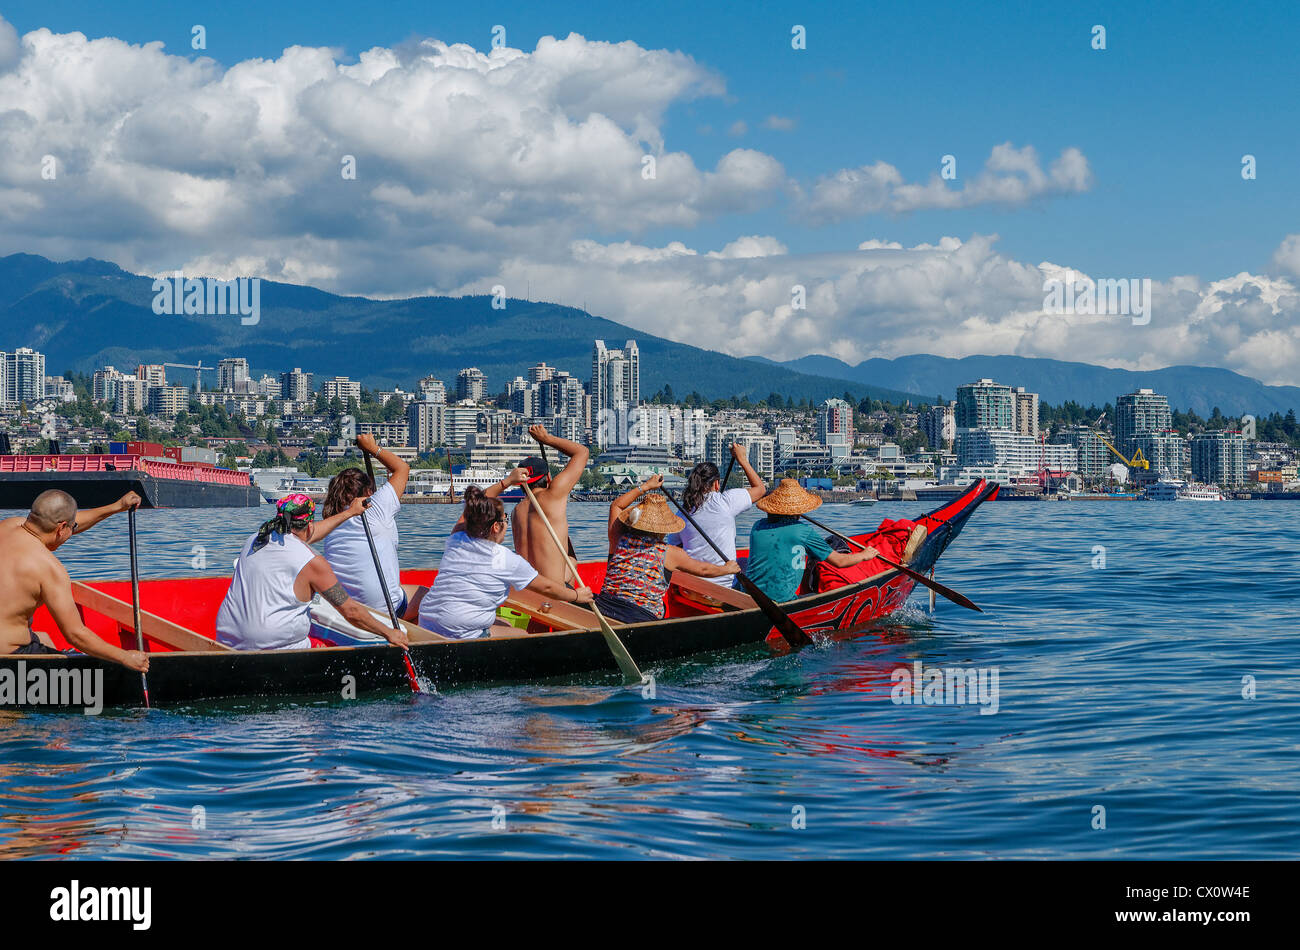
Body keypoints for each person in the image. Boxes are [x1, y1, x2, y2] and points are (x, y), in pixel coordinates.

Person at [216, 493, 409, 651]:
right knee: (333, 646)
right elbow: (351, 612)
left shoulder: (256, 539)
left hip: (227, 639)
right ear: (308, 525)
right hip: (275, 648)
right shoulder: (313, 562)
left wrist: (350, 513)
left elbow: (308, 534)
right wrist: (389, 633)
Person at [420, 481, 594, 640]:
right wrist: (577, 595)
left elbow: (473, 509)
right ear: (496, 527)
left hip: (427, 621)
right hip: (459, 632)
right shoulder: (504, 559)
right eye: (505, 519)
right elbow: (547, 587)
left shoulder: (456, 540)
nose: (507, 524)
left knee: (505, 623)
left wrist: (507, 482)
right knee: (521, 635)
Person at [0, 489, 150, 669]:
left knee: (45, 638)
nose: (73, 532)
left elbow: (67, 522)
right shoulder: (49, 568)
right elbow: (75, 634)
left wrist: (117, 507)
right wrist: (125, 657)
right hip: (10, 658)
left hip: (9, 641)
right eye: (71, 528)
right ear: (61, 528)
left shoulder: (8, 525)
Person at [597, 475, 741, 624]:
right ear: (663, 529)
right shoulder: (669, 553)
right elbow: (703, 570)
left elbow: (616, 506)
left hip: (604, 608)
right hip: (639, 618)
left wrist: (645, 487)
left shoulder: (619, 538)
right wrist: (727, 569)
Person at [321, 434, 425, 622]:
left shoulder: (331, 520)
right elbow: (402, 468)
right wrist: (372, 448)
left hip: (345, 610)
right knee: (428, 596)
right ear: (368, 493)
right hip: (384, 610)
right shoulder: (377, 508)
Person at [745, 479, 879, 602]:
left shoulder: (758, 526)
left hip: (748, 596)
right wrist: (864, 555)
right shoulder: (802, 531)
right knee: (818, 596)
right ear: (797, 511)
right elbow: (840, 562)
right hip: (778, 603)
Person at [675, 442, 766, 586]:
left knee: (741, 561)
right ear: (717, 484)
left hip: (693, 584)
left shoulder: (682, 511)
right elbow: (760, 490)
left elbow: (676, 547)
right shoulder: (726, 501)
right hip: (724, 585)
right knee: (750, 562)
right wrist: (742, 459)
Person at [511, 424, 589, 585]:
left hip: (527, 589)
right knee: (572, 563)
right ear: (547, 477)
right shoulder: (553, 495)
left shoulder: (516, 511)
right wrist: (546, 439)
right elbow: (582, 452)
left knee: (571, 561)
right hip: (552, 591)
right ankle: (569, 601)